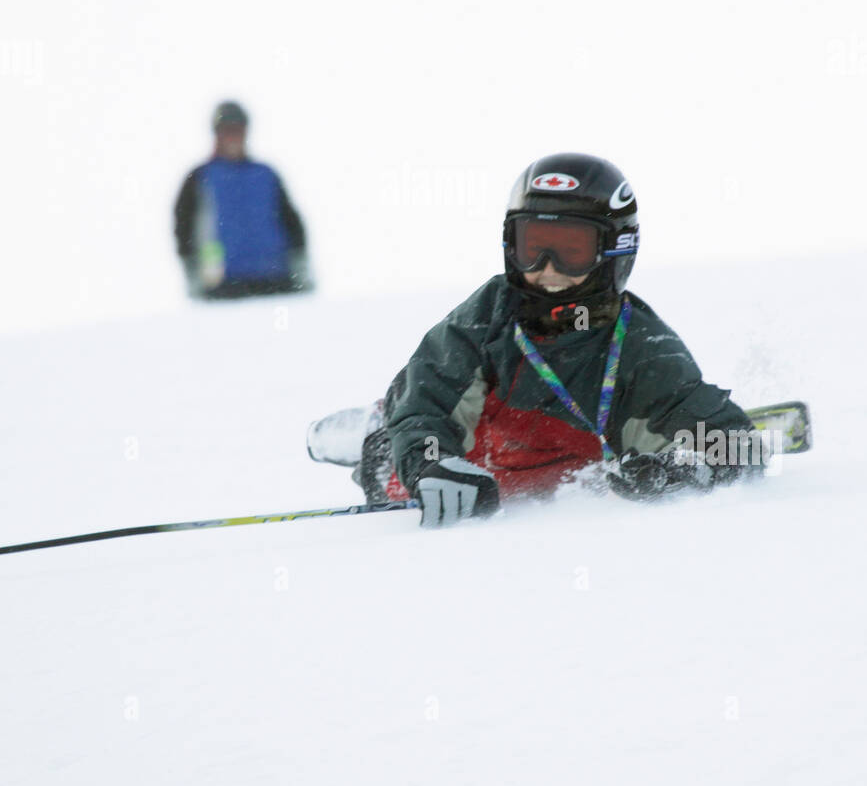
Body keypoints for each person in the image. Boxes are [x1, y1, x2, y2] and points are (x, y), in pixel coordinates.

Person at [308, 152, 765, 527]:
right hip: (464, 461)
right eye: (534, 246)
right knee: (399, 448)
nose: (547, 267)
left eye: (571, 250)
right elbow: (428, 395)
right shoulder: (490, 315)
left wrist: (685, 470)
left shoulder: (642, 349)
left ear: (615, 249)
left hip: (546, 471)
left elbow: (739, 446)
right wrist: (428, 462)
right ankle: (377, 432)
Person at [173, 101, 312, 300]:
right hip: (221, 285)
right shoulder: (200, 178)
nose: (232, 137)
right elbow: (184, 228)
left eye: (237, 130)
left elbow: (291, 222)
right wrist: (193, 273)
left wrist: (300, 268)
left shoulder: (266, 175)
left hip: (275, 281)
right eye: (226, 130)